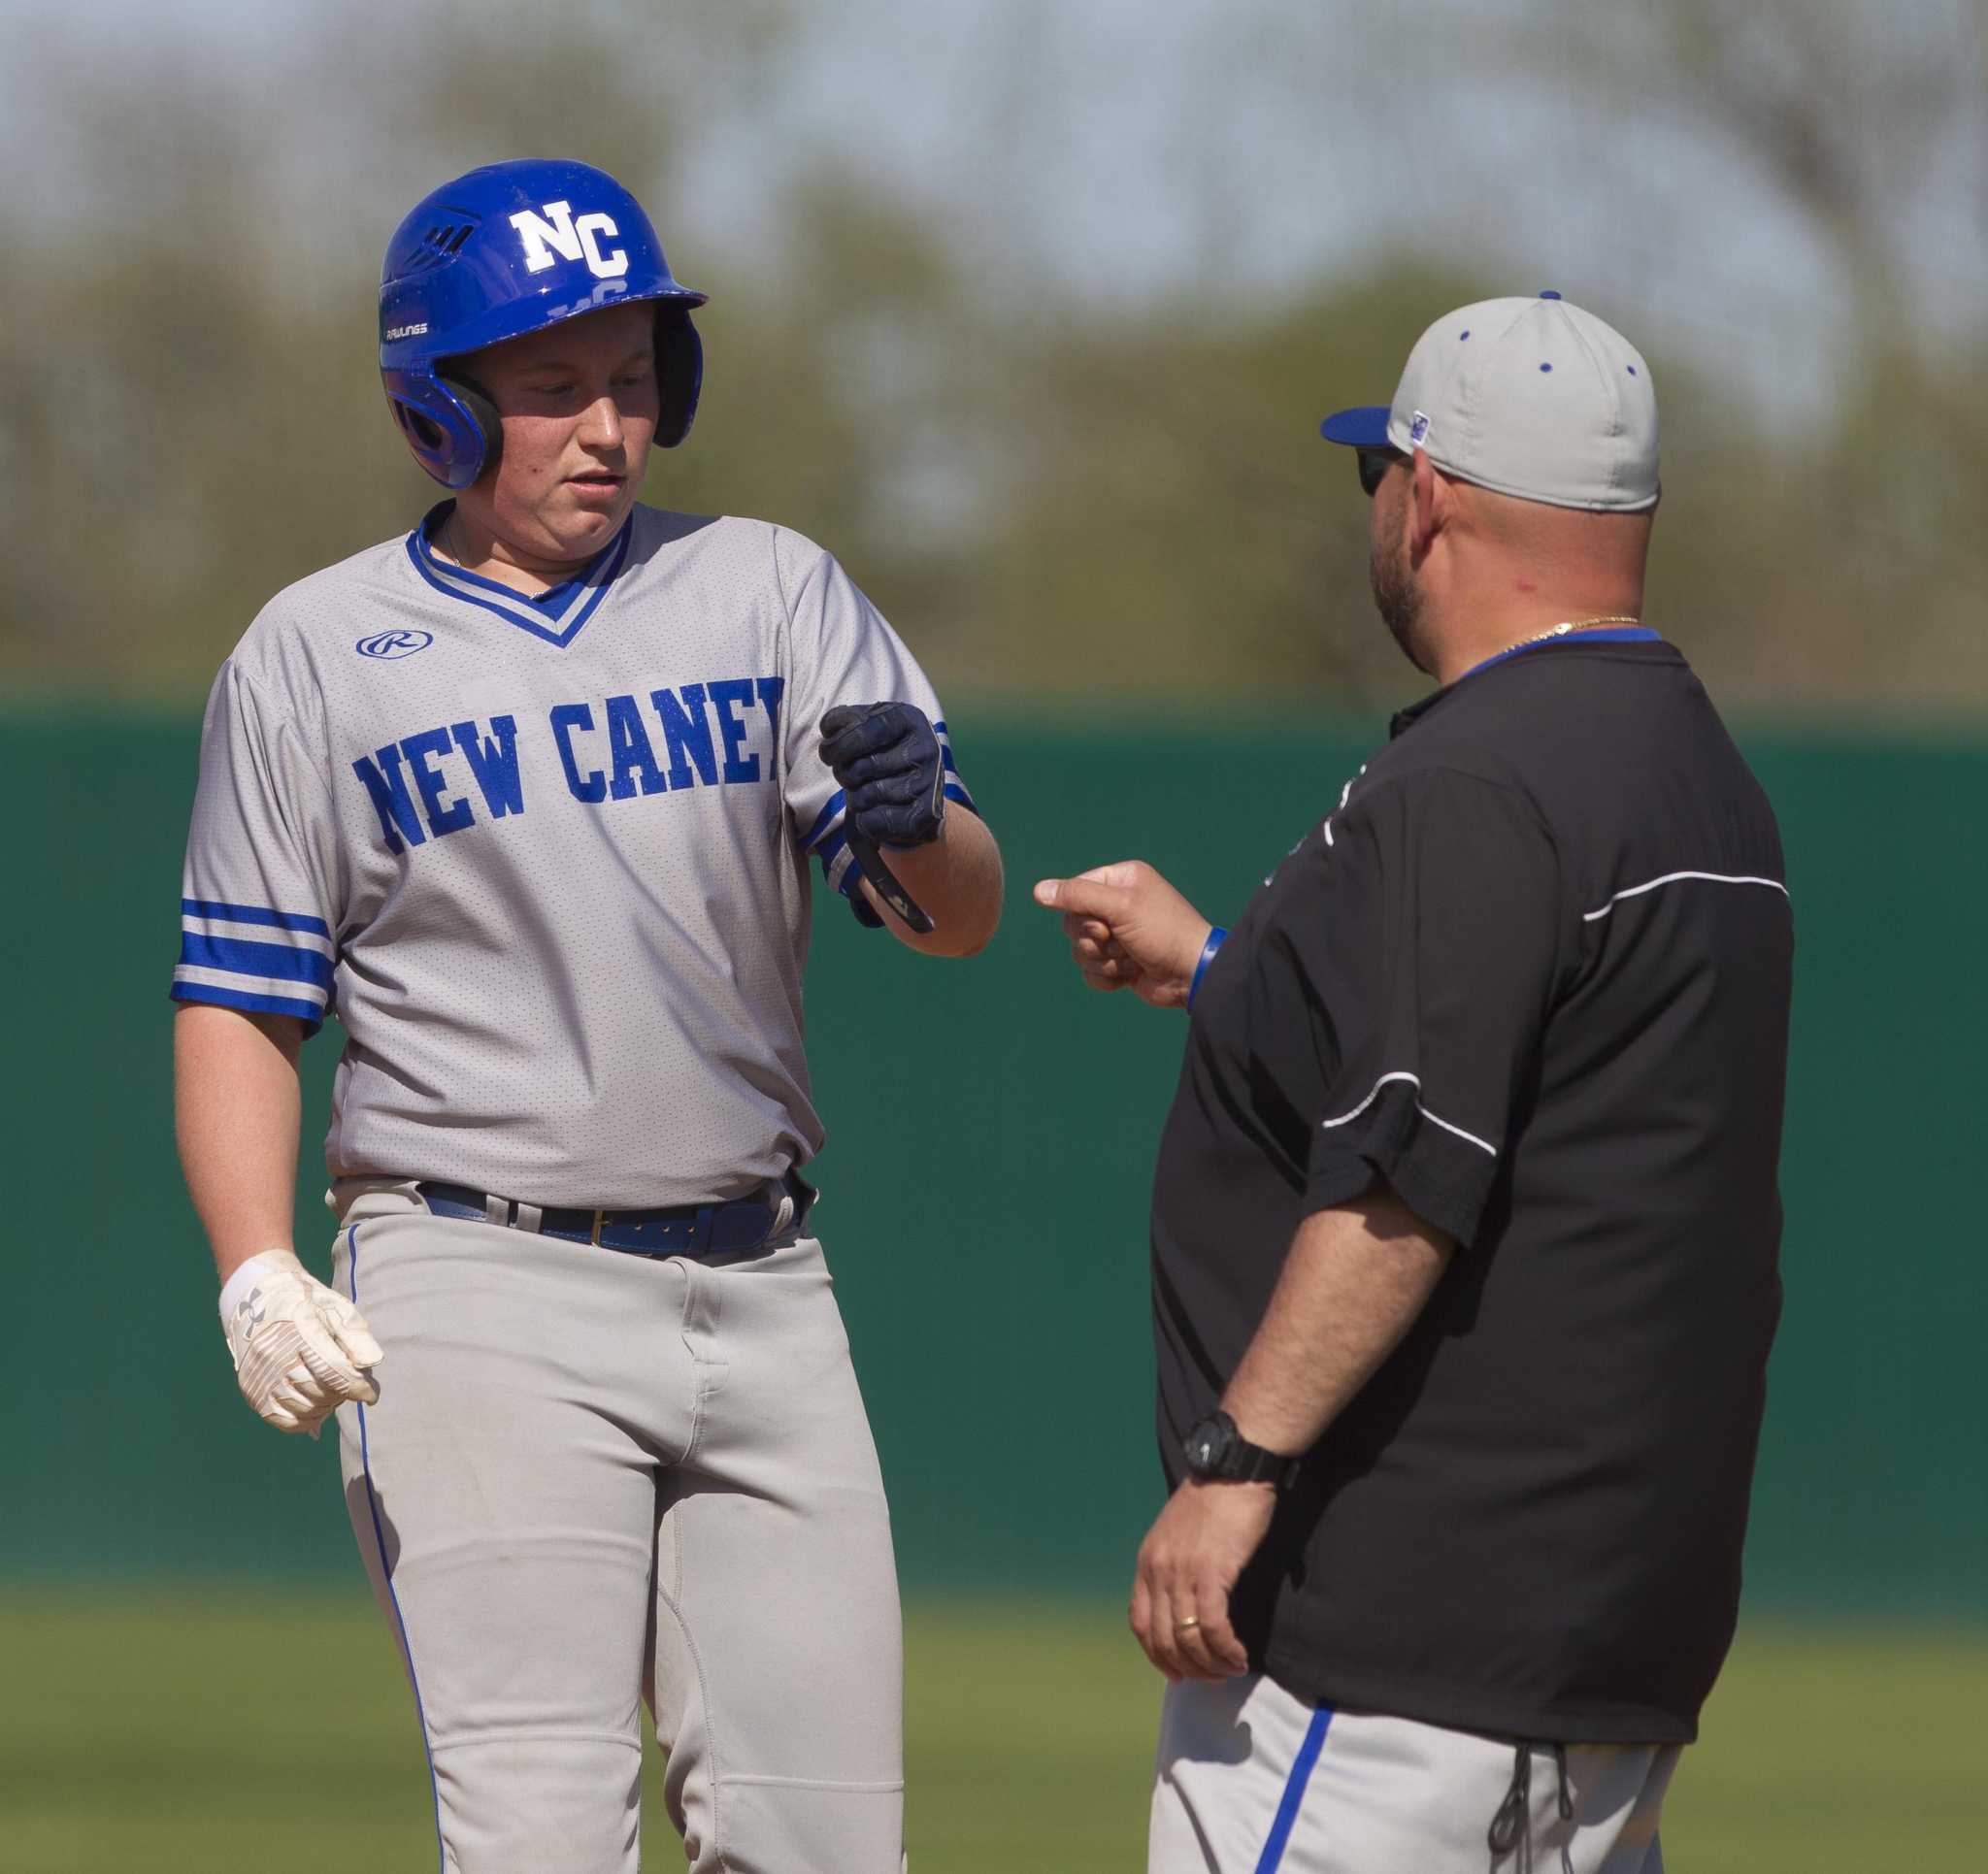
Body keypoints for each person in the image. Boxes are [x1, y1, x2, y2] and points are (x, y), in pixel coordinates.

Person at [171, 157, 1002, 1874]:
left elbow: (951, 923)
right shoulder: (314, 653)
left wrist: (927, 827)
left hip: (765, 1283)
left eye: (632, 379)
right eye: (551, 387)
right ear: (440, 412)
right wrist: (256, 1264)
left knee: (829, 1851)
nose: (605, 426)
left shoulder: (768, 588)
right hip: (479, 1281)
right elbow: (246, 1000)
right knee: (543, 1844)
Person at [1035, 293, 1791, 1872]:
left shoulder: (1474, 775)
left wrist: (1232, 1469)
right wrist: (1228, 969)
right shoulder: (1696, 773)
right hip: (1606, 1643)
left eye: (1378, 474)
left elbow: (1412, 1172)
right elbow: (1534, 1073)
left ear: (1428, 495)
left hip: (1387, 1650)